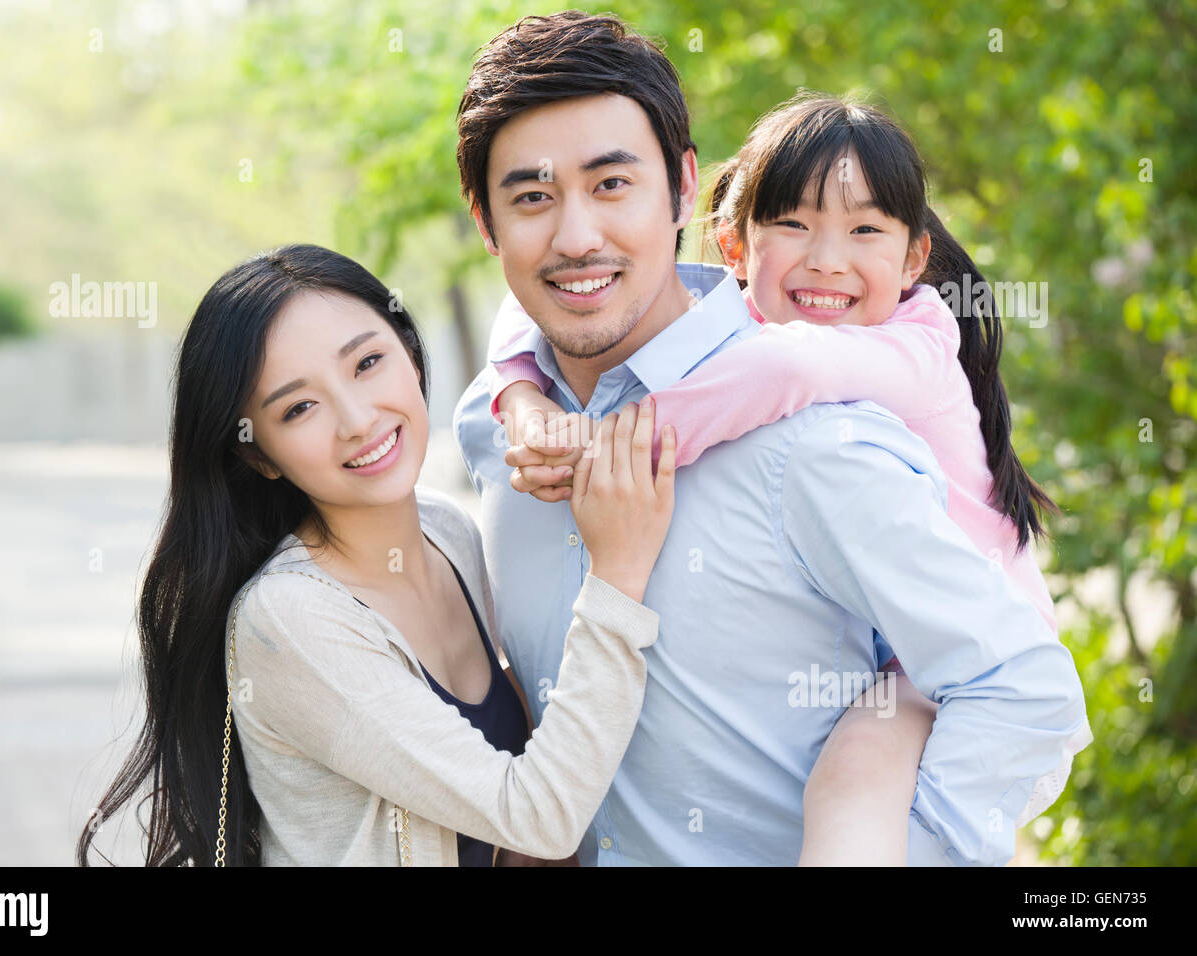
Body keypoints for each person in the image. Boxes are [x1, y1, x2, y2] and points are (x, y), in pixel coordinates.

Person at [452, 11, 1092, 865]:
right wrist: (521, 404)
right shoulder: (500, 432)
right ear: (486, 222)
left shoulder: (815, 434)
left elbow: (1025, 690)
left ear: (683, 189)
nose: (575, 237)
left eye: (612, 185)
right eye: (532, 197)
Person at [77, 243, 677, 866]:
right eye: (299, 407)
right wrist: (617, 574)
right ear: (259, 455)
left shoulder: (448, 535)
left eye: (367, 362)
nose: (358, 420)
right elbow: (538, 816)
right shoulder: (290, 620)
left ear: (411, 356)